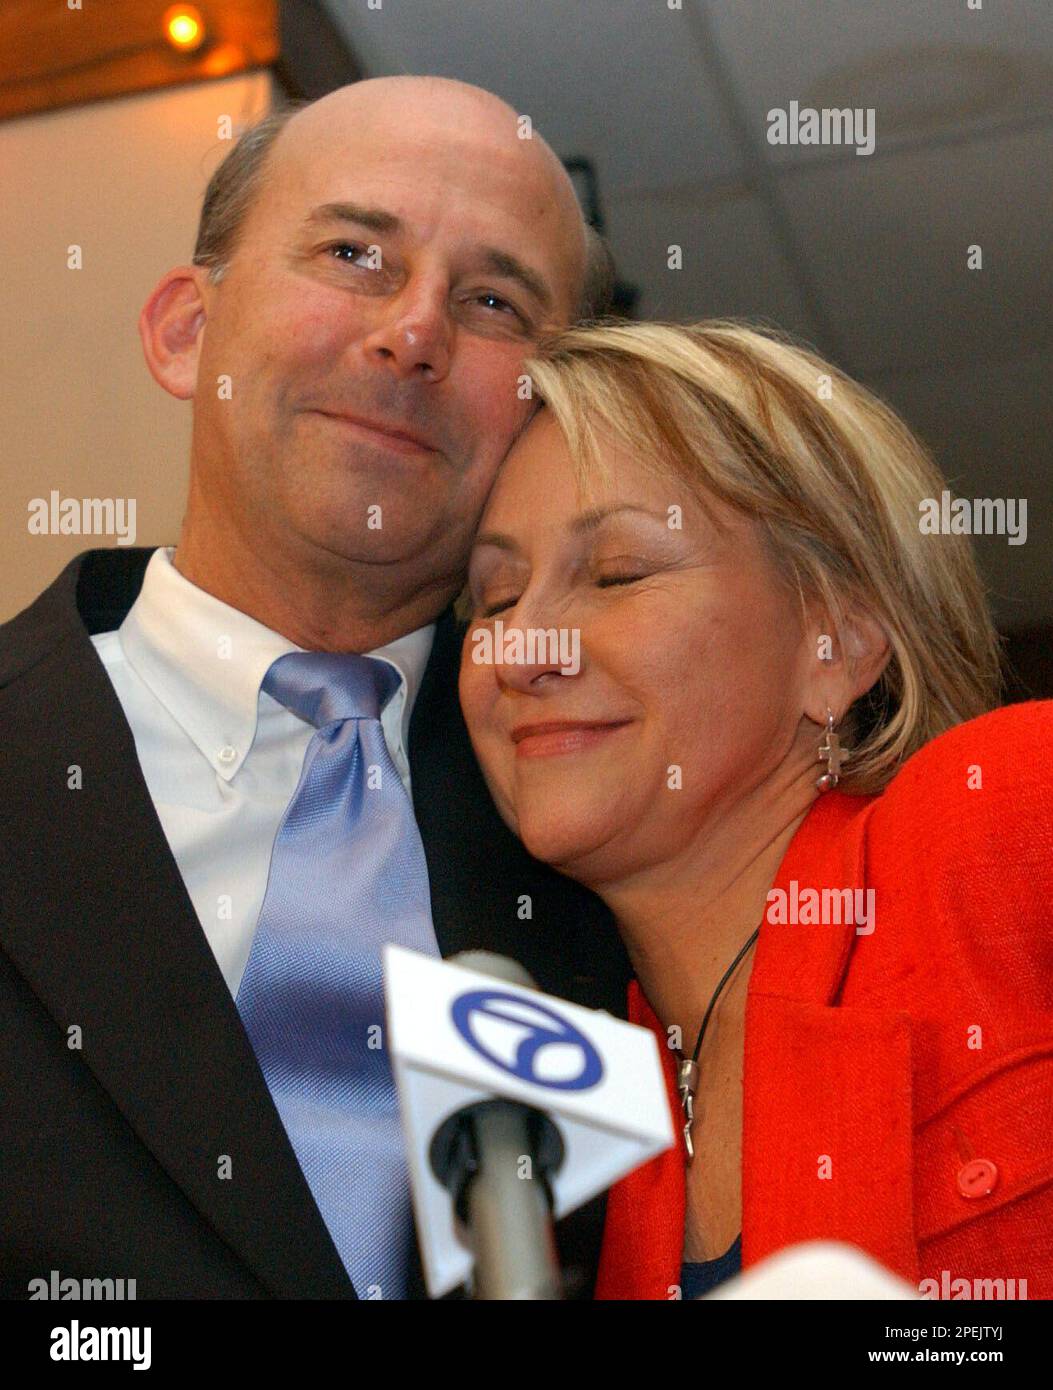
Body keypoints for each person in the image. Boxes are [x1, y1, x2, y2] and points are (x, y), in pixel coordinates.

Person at [0, 77, 630, 1301]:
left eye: (495, 300)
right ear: (188, 331)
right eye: (354, 253)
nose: (416, 332)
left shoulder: (617, 806)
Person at [458, 319, 1053, 1300]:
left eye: (615, 574)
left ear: (838, 641)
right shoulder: (592, 1135)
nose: (518, 651)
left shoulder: (994, 816)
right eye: (493, 600)